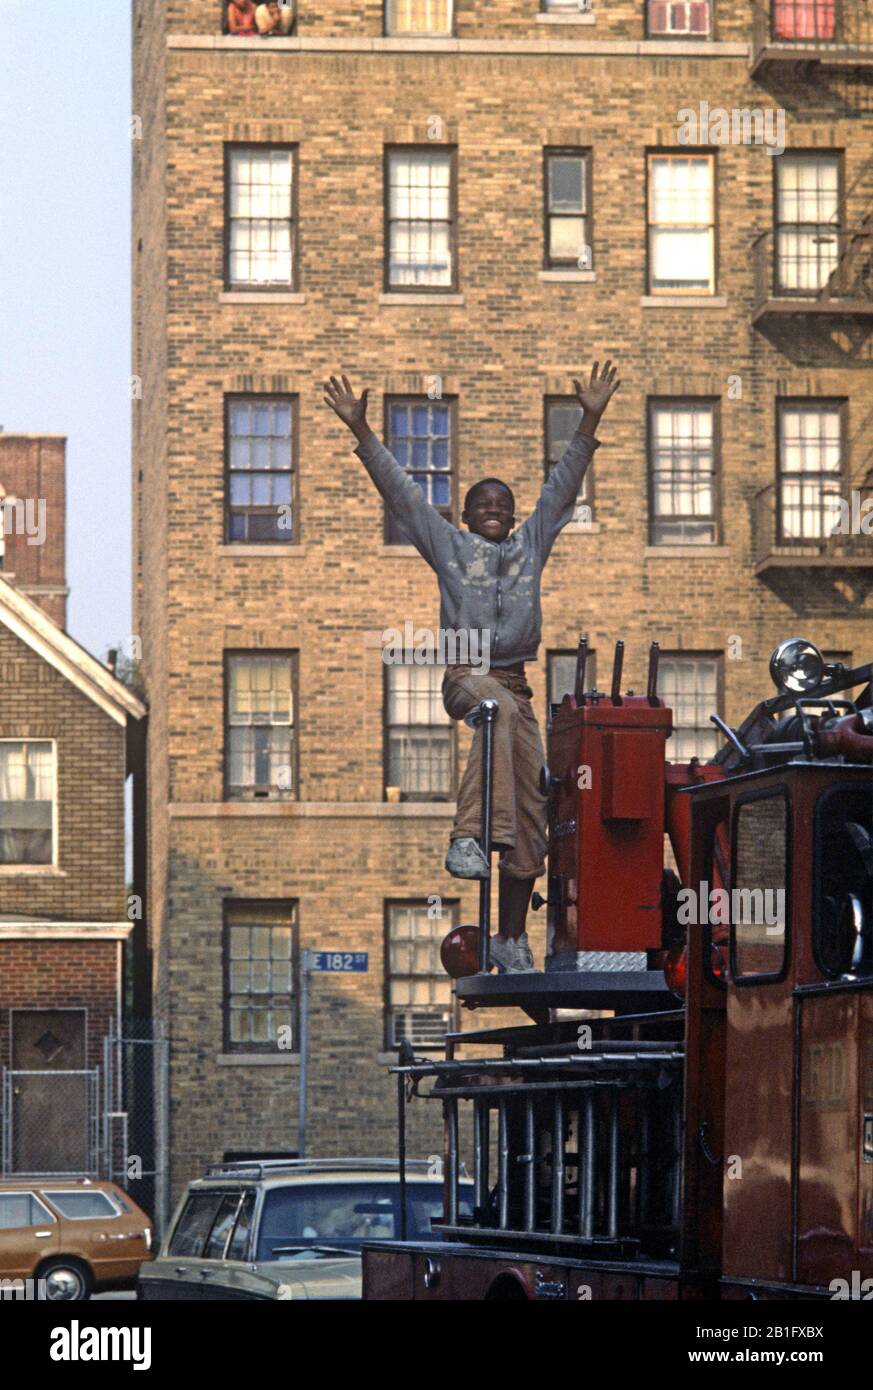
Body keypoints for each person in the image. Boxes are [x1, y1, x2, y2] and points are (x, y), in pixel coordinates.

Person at [323, 362, 620, 973]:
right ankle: (465, 835)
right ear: (464, 515)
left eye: (502, 504)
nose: (492, 508)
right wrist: (363, 432)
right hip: (467, 675)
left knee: (535, 811)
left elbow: (563, 485)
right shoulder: (449, 548)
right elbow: (402, 493)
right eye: (481, 503)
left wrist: (590, 417)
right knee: (494, 707)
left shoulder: (529, 546)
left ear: (512, 517)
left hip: (517, 687)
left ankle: (510, 938)